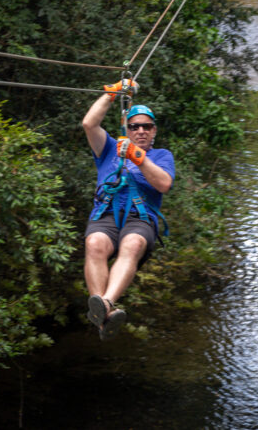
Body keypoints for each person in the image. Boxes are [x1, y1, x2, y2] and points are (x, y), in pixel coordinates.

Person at [81, 79, 174, 340]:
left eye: (147, 126)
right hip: (107, 213)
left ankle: (106, 303)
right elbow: (89, 124)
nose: (141, 131)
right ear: (127, 128)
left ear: (154, 131)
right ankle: (103, 314)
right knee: (95, 242)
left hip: (140, 217)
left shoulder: (161, 156)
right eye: (135, 126)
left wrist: (138, 157)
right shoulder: (109, 148)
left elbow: (164, 183)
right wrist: (112, 93)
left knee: (132, 243)